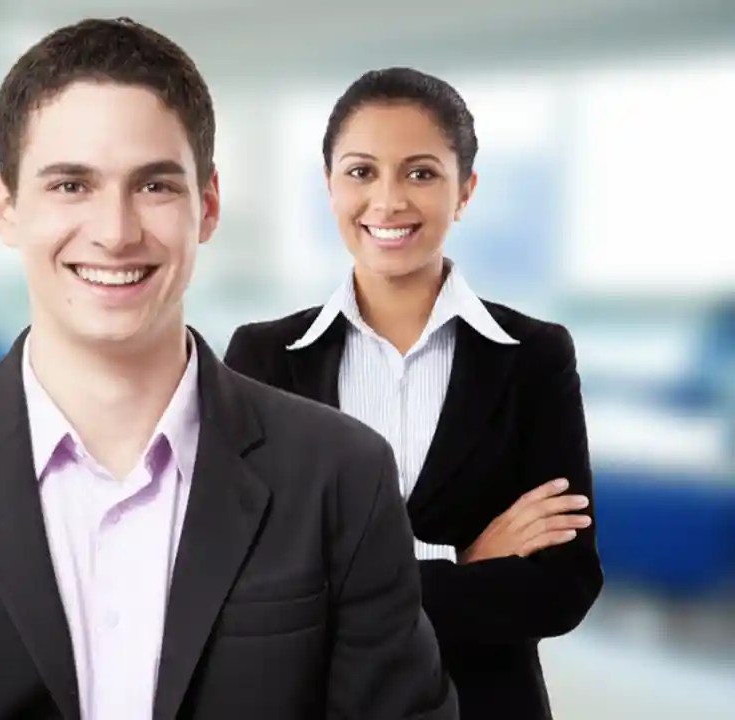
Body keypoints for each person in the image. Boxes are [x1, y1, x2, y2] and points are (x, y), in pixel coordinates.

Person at [0, 20, 455, 720]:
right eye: (71, 185)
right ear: (5, 207)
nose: (115, 231)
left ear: (209, 205)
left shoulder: (339, 475)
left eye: (155, 186)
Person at [224, 67, 602, 720]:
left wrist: (344, 587)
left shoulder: (533, 357)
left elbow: (562, 587)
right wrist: (465, 558)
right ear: (329, 186)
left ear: (465, 192)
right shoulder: (264, 359)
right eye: (361, 172)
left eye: (421, 173)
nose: (389, 201)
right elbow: (244, 584)